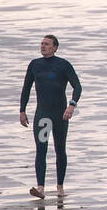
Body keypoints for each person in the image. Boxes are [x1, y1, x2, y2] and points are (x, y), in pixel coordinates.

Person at [19, 34, 82, 199]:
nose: (43, 46)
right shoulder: (34, 65)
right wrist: (22, 110)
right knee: (41, 149)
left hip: (60, 115)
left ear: (55, 47)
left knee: (60, 150)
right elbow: (26, 88)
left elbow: (78, 86)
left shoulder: (63, 65)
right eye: (41, 43)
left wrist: (72, 105)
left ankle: (60, 188)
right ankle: (40, 188)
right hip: (43, 116)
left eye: (46, 44)